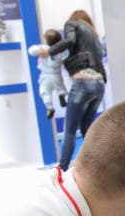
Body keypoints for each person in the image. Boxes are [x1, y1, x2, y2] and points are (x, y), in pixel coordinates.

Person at [40, 10, 105, 171]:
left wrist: (49, 51)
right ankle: (99, 164)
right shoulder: (94, 36)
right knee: (86, 129)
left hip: (83, 81)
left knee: (70, 129)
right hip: (99, 85)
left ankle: (61, 169)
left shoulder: (72, 24)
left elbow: (69, 40)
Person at [27, 29, 67, 119]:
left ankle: (50, 107)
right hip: (57, 74)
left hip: (45, 76)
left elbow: (30, 50)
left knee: (45, 92)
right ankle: (62, 95)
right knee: (60, 87)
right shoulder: (61, 51)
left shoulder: (43, 48)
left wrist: (39, 50)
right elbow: (66, 59)